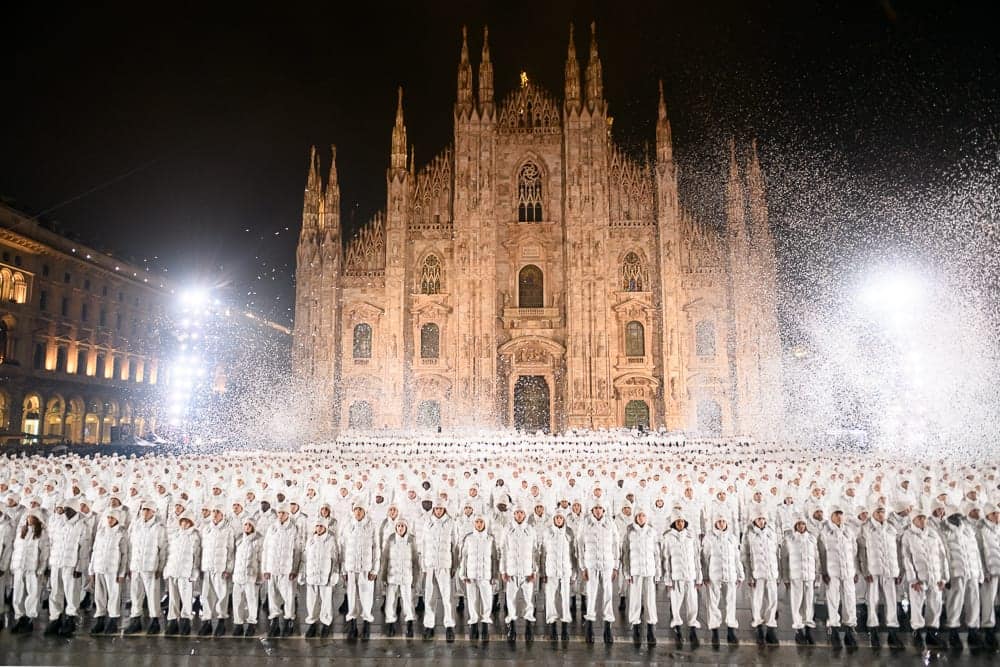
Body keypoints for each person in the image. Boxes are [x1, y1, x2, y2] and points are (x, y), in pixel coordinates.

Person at [900, 508, 949, 649]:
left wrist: (944, 577)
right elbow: (906, 558)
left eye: (924, 517)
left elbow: (942, 555)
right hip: (919, 579)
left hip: (935, 577)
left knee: (935, 605)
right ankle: (917, 634)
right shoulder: (908, 535)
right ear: (913, 520)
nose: (922, 520)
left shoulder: (933, 534)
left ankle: (932, 634)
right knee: (917, 606)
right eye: (919, 518)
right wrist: (913, 579)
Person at [45, 497, 93, 637]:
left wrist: (80, 567)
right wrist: (50, 563)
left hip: (71, 565)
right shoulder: (59, 522)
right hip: (56, 562)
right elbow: (52, 543)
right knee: (55, 592)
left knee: (72, 592)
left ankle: (71, 618)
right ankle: (55, 618)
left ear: (75, 510)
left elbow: (84, 548)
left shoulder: (83, 524)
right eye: (65, 509)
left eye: (69, 509)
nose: (65, 511)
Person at [859, 504, 905, 649]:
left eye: (883, 511)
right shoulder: (865, 528)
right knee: (873, 601)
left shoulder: (891, 528)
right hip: (873, 571)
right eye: (878, 511)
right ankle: (873, 631)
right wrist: (865, 571)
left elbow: (898, 550)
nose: (881, 514)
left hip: (890, 571)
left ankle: (892, 632)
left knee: (891, 601)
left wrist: (900, 570)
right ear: (873, 513)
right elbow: (862, 551)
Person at [941, 506, 984, 650]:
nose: (957, 518)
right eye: (954, 516)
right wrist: (945, 575)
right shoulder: (944, 532)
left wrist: (980, 573)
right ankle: (953, 631)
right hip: (955, 572)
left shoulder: (968, 531)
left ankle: (973, 631)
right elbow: (943, 555)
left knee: (973, 601)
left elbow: (976, 553)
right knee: (955, 602)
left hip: (972, 571)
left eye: (958, 516)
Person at [578, 499, 620, 644]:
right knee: (591, 594)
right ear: (592, 510)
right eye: (595, 508)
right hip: (591, 564)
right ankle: (589, 626)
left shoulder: (610, 523)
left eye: (600, 508)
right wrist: (582, 567)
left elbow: (616, 545)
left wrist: (616, 566)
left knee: (608, 595)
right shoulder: (585, 523)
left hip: (607, 564)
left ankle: (608, 627)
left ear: (604, 510)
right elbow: (579, 545)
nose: (597, 510)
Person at [819, 506, 859, 649]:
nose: (839, 517)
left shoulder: (849, 531)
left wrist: (855, 570)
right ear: (831, 516)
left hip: (848, 572)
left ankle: (850, 627)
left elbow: (854, 552)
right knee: (833, 599)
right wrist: (824, 572)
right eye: (836, 514)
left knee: (850, 599)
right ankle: (834, 627)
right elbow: (822, 554)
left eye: (841, 514)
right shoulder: (825, 532)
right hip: (832, 572)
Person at [418, 495, 456, 641]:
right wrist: (424, 564)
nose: (438, 511)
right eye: (436, 508)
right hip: (431, 565)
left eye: (441, 508)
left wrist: (454, 565)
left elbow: (455, 546)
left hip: (444, 566)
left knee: (447, 598)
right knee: (429, 597)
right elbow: (423, 544)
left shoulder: (450, 523)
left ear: (444, 509)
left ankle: (449, 626)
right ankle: (429, 625)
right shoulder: (427, 523)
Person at [662, 510, 702, 647]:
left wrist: (699, 576)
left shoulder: (691, 537)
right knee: (676, 603)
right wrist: (668, 579)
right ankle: (677, 627)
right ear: (674, 523)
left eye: (682, 521)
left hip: (690, 576)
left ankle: (692, 628)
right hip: (676, 577)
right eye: (678, 521)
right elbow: (666, 559)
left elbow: (696, 558)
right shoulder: (668, 538)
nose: (680, 523)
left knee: (692, 603)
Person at [702, 515, 743, 646]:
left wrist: (740, 574)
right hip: (714, 576)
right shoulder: (709, 538)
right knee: (713, 603)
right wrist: (705, 575)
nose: (721, 524)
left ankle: (731, 630)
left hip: (730, 576)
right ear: (715, 523)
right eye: (719, 521)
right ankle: (715, 631)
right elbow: (704, 558)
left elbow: (737, 558)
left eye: (723, 521)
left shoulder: (732, 538)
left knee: (731, 603)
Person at [742, 505, 780, 646]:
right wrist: (749, 575)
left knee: (772, 600)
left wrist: (777, 572)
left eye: (763, 518)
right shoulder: (749, 534)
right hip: (757, 573)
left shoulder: (771, 533)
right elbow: (745, 556)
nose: (762, 521)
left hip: (771, 572)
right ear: (754, 520)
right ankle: (758, 626)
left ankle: (770, 627)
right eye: (759, 519)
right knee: (757, 601)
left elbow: (776, 552)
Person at [262, 503, 301, 637]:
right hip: (272, 568)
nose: (280, 515)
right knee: (273, 596)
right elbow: (266, 549)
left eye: (283, 513)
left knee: (288, 596)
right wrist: (265, 569)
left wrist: (295, 569)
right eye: (279, 513)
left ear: (288, 514)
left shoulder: (293, 529)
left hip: (286, 570)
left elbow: (297, 551)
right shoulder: (272, 528)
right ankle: (274, 622)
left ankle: (289, 620)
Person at [341, 502, 380, 640]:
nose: (357, 512)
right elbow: (343, 548)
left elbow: (376, 548)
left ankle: (366, 623)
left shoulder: (371, 526)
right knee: (351, 596)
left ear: (365, 511)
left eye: (360, 509)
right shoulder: (348, 526)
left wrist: (375, 569)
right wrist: (344, 570)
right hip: (351, 568)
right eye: (356, 509)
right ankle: (352, 624)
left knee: (366, 597)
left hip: (365, 569)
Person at [622, 507, 660, 646]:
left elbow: (657, 553)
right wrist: (627, 572)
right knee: (635, 600)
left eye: (643, 515)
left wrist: (658, 572)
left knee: (650, 600)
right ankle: (636, 626)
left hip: (649, 571)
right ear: (635, 517)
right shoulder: (630, 532)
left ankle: (651, 628)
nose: (641, 518)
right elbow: (625, 553)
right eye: (638, 515)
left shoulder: (652, 532)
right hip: (635, 571)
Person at [88, 508, 128, 635]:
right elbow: (95, 551)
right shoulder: (101, 532)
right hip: (99, 568)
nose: (110, 520)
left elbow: (124, 555)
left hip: (112, 570)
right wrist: (91, 569)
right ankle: (100, 618)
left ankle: (113, 619)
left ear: (117, 519)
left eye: (112, 518)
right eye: (108, 517)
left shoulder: (121, 533)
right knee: (99, 595)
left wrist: (122, 573)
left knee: (114, 595)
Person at [9, 510, 48, 635]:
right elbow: (16, 549)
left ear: (38, 519)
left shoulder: (42, 534)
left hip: (32, 569)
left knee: (32, 594)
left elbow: (44, 553)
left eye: (32, 517)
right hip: (20, 567)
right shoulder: (21, 531)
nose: (29, 519)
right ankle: (20, 617)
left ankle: (29, 619)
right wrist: (13, 566)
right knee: (18, 593)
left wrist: (41, 568)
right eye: (28, 517)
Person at [781, 516, 818, 645]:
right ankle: (798, 629)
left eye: (803, 524)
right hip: (796, 576)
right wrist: (785, 577)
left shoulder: (812, 539)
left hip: (809, 576)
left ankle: (808, 628)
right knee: (797, 603)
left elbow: (816, 559)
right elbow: (784, 560)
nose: (801, 526)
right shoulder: (789, 540)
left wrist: (817, 576)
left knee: (809, 603)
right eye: (799, 524)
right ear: (795, 526)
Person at [163, 511, 202, 636]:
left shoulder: (194, 536)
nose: (184, 523)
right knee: (173, 597)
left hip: (186, 572)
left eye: (186, 521)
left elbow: (196, 555)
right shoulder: (176, 535)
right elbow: (171, 553)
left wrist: (194, 571)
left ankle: (185, 620)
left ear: (191, 522)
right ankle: (172, 620)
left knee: (186, 597)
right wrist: (167, 568)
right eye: (182, 521)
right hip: (173, 570)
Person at [539, 511, 576, 642]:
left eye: (561, 518)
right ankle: (552, 624)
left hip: (565, 570)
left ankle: (565, 625)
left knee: (565, 598)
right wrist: (542, 572)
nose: (559, 520)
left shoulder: (569, 532)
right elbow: (543, 554)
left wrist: (574, 571)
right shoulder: (547, 532)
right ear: (554, 519)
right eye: (557, 518)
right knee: (550, 598)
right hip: (551, 571)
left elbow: (573, 553)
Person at [199, 504, 235, 637]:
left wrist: (228, 568)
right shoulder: (207, 529)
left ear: (222, 514)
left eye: (217, 511)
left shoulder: (228, 530)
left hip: (221, 568)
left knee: (222, 595)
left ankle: (221, 621)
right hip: (208, 567)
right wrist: (202, 566)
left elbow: (231, 551)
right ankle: (207, 621)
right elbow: (203, 548)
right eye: (213, 511)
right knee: (206, 595)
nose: (214, 513)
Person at [459, 515, 496, 641]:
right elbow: (464, 557)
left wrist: (494, 575)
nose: (479, 524)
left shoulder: (490, 539)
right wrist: (463, 573)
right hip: (471, 575)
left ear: (485, 523)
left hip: (485, 576)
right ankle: (473, 624)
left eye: (481, 522)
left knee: (487, 599)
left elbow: (494, 558)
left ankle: (485, 623)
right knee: (472, 600)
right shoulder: (469, 538)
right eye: (477, 522)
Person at [301, 517, 340, 638]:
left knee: (326, 601)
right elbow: (305, 558)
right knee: (311, 601)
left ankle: (326, 623)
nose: (318, 528)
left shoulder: (331, 540)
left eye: (321, 526)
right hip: (312, 576)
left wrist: (334, 574)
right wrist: (302, 573)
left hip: (325, 577)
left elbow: (335, 559)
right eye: (317, 526)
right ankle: (312, 622)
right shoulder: (310, 540)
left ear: (325, 528)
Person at [382, 517, 419, 638]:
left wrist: (415, 578)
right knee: (390, 601)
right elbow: (385, 558)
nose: (400, 528)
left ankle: (409, 624)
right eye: (398, 526)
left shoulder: (411, 540)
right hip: (392, 576)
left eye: (403, 526)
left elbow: (415, 560)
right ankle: (390, 623)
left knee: (408, 601)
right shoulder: (391, 539)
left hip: (406, 577)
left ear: (406, 527)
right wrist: (383, 576)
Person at [230, 517, 263, 636]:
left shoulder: (258, 541)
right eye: (245, 525)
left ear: (253, 527)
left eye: (250, 525)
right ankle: (238, 623)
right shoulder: (239, 540)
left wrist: (259, 576)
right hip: (238, 576)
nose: (247, 527)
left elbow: (260, 560)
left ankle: (251, 623)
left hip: (250, 577)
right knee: (237, 601)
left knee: (251, 601)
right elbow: (234, 558)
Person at [977, 503, 1000, 650]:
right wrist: (984, 571)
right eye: (994, 514)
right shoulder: (982, 531)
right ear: (987, 516)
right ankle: (988, 629)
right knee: (988, 601)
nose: (997, 516)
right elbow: (979, 552)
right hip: (990, 572)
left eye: (998, 513)